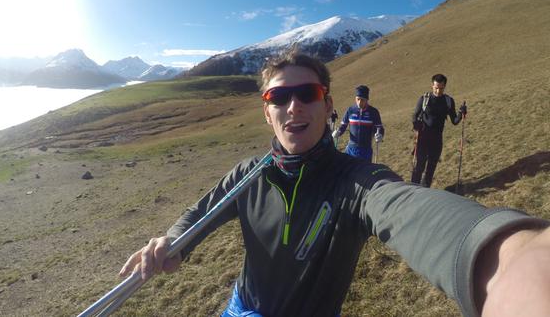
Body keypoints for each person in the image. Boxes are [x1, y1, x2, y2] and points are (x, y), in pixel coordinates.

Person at [119, 51, 550, 317]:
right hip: (240, 309)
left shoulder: (356, 183)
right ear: (265, 113)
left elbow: (401, 206)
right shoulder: (248, 174)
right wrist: (173, 241)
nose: (293, 106)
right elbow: (201, 212)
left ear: (328, 106)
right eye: (278, 98)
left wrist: (506, 254)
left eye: (307, 94)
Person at [411, 73, 467, 187]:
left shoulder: (448, 101)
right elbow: (414, 116)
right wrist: (416, 125)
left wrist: (461, 113)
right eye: (436, 88)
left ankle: (425, 189)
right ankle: (412, 189)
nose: (438, 91)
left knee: (431, 168)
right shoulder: (424, 99)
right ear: (432, 86)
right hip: (423, 139)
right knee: (419, 167)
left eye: (441, 88)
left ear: (444, 86)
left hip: (437, 140)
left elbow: (454, 121)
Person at [331, 85, 384, 161]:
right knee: (348, 171)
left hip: (366, 150)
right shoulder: (350, 110)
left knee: (364, 172)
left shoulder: (373, 112)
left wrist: (380, 135)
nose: (359, 102)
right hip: (351, 149)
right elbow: (343, 125)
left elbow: (379, 127)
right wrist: (338, 132)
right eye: (358, 99)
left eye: (362, 100)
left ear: (367, 100)